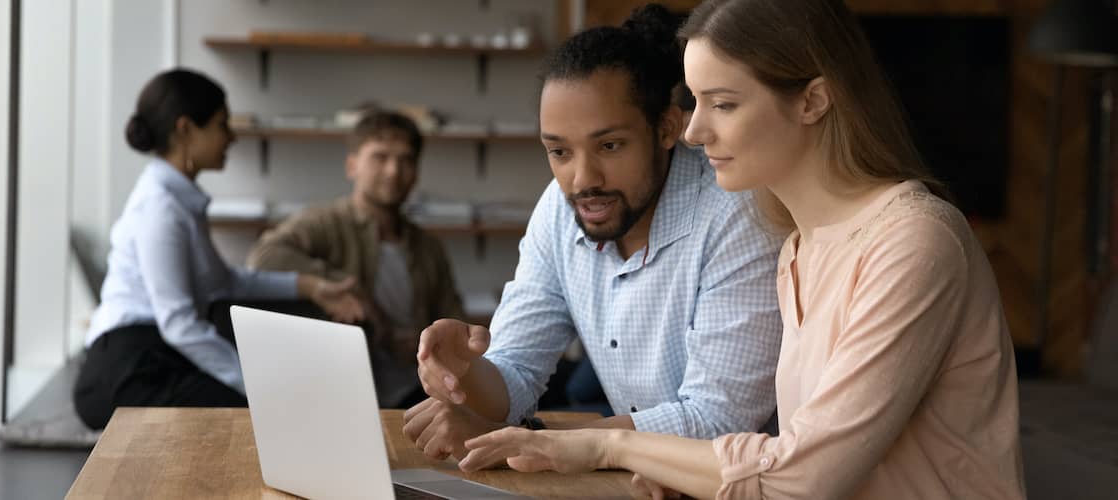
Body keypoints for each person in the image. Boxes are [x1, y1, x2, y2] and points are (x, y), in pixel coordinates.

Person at [458, 1, 1027, 498]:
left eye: (722, 104)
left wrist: (608, 446)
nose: (693, 132)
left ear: (813, 101)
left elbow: (798, 480)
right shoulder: (799, 242)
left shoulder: (914, 242)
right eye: (696, 102)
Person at [403, 4, 785, 462]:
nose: (583, 178)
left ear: (667, 127)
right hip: (637, 480)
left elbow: (718, 421)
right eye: (559, 151)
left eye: (609, 145)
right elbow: (517, 370)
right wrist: (464, 376)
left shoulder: (737, 210)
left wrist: (547, 440)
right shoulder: (560, 209)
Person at [73, 69, 364, 430]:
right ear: (185, 130)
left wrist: (309, 287)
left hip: (157, 356)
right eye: (221, 125)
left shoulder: (180, 202)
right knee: (253, 416)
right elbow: (178, 323)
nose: (231, 137)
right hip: (127, 367)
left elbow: (223, 282)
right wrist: (254, 384)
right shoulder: (160, 209)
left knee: (272, 404)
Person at [247, 110, 465, 407]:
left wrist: (426, 343)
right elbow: (263, 258)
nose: (393, 171)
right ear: (352, 166)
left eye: (406, 160)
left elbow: (455, 320)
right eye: (380, 157)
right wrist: (349, 290)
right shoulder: (326, 221)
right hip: (348, 393)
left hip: (425, 391)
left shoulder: (428, 246)